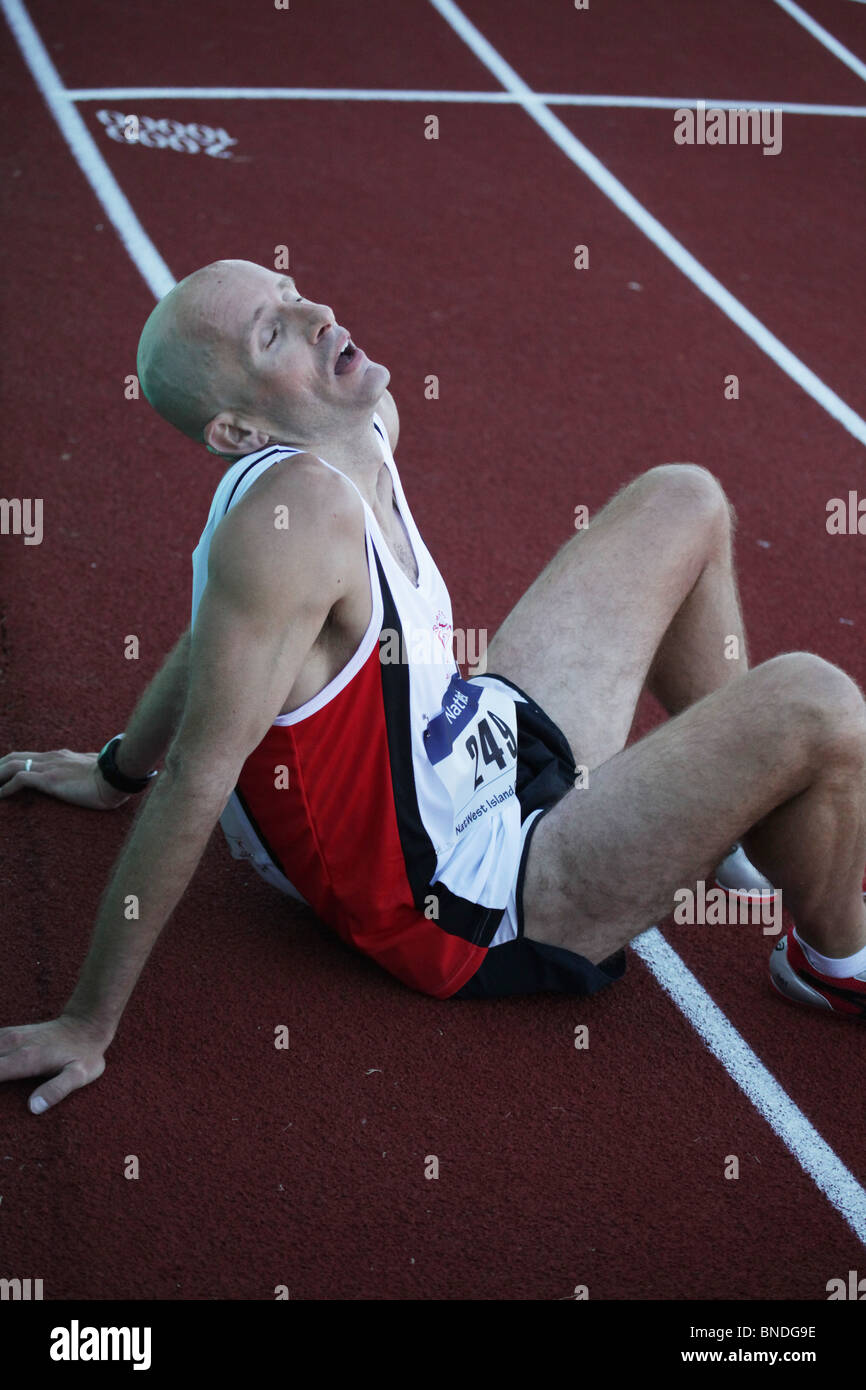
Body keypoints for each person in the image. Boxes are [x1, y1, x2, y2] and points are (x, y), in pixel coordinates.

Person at [2, 260, 865, 1116]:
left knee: (685, 498)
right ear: (236, 432)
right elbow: (201, 773)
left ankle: (748, 822)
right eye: (273, 334)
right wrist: (87, 1021)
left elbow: (207, 648)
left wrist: (114, 769)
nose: (317, 315)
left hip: (476, 748)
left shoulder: (365, 420)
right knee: (812, 703)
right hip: (469, 895)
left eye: (291, 293)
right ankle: (835, 966)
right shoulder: (292, 527)